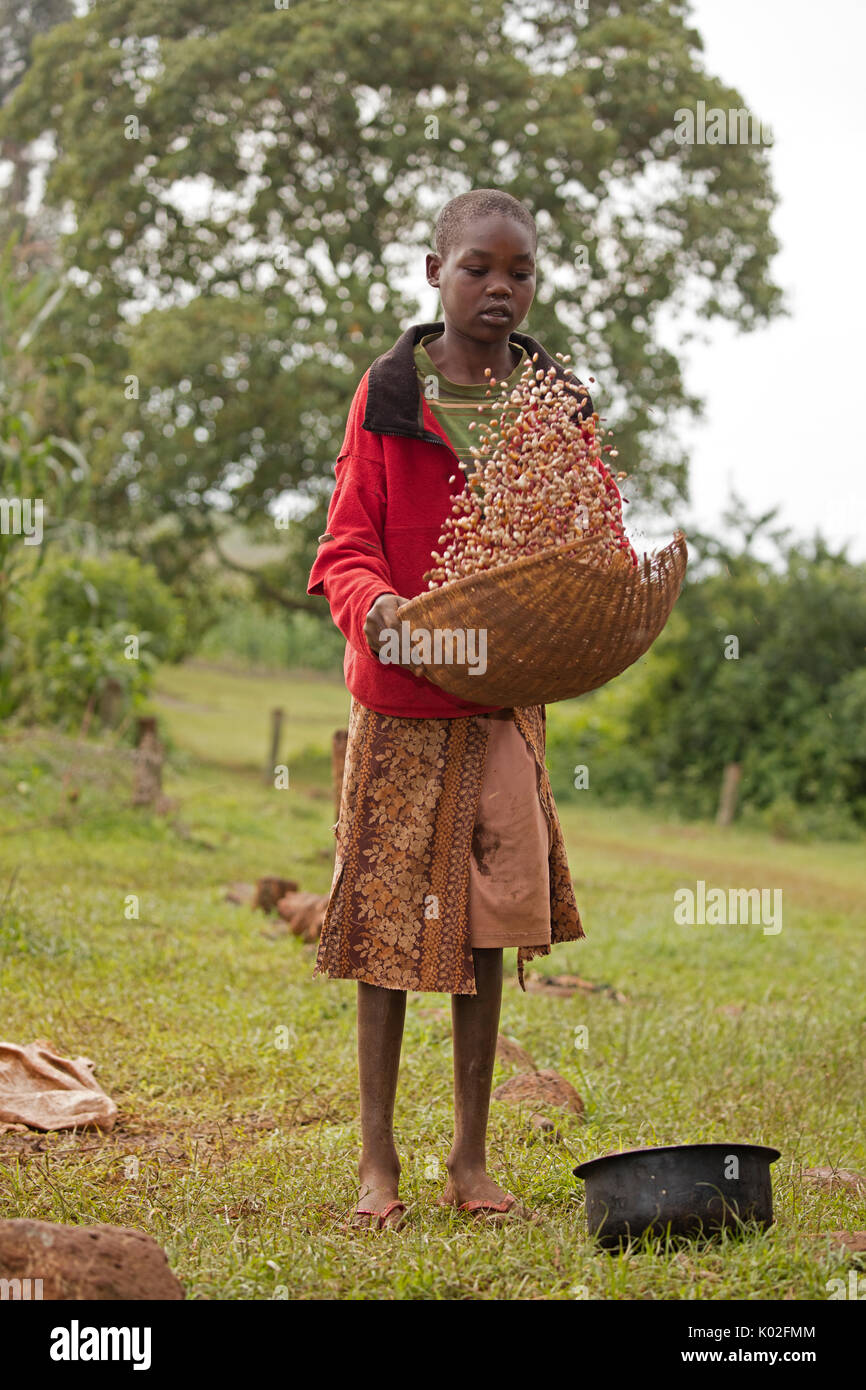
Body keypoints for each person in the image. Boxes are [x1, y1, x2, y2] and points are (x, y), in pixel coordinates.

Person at [307, 188, 631, 1230]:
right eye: (476, 269)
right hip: (404, 697)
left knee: (485, 930)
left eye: (518, 272)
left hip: (500, 702)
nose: (498, 290)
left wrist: (600, 597)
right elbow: (343, 547)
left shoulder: (553, 404)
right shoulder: (389, 394)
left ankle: (471, 1157)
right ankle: (375, 1161)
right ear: (434, 271)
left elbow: (595, 540)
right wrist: (383, 609)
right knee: (386, 932)